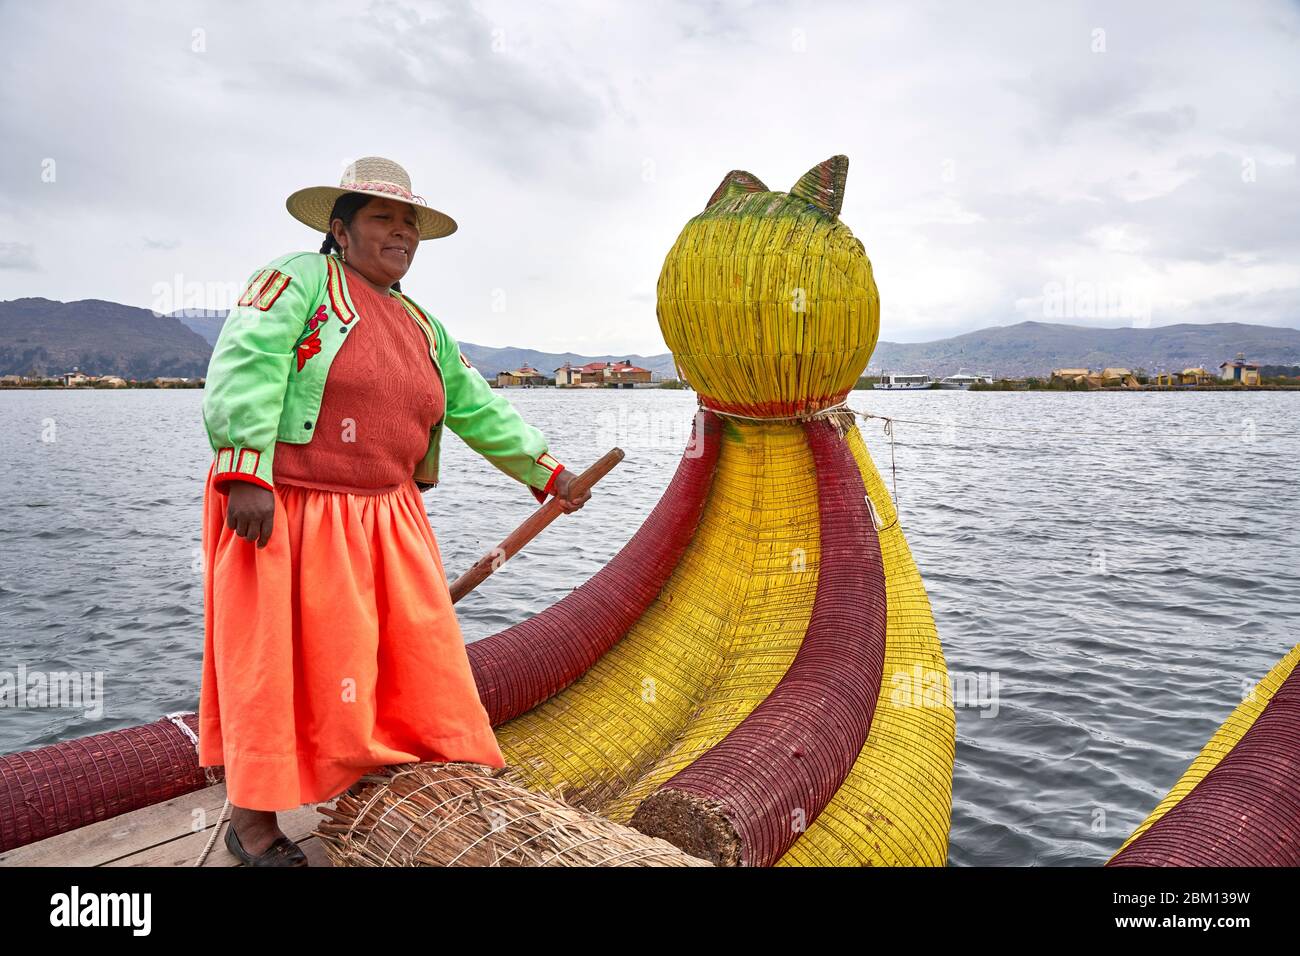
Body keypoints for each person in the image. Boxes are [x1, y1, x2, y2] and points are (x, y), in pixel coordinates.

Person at [198, 156, 590, 866]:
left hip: (389, 516)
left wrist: (548, 472)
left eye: (410, 223)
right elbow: (247, 360)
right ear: (340, 230)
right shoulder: (296, 279)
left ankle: (395, 782)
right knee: (274, 663)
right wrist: (243, 468)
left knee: (410, 655)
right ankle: (253, 823)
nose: (402, 234)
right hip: (291, 506)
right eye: (384, 218)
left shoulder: (422, 325)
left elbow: (475, 405)